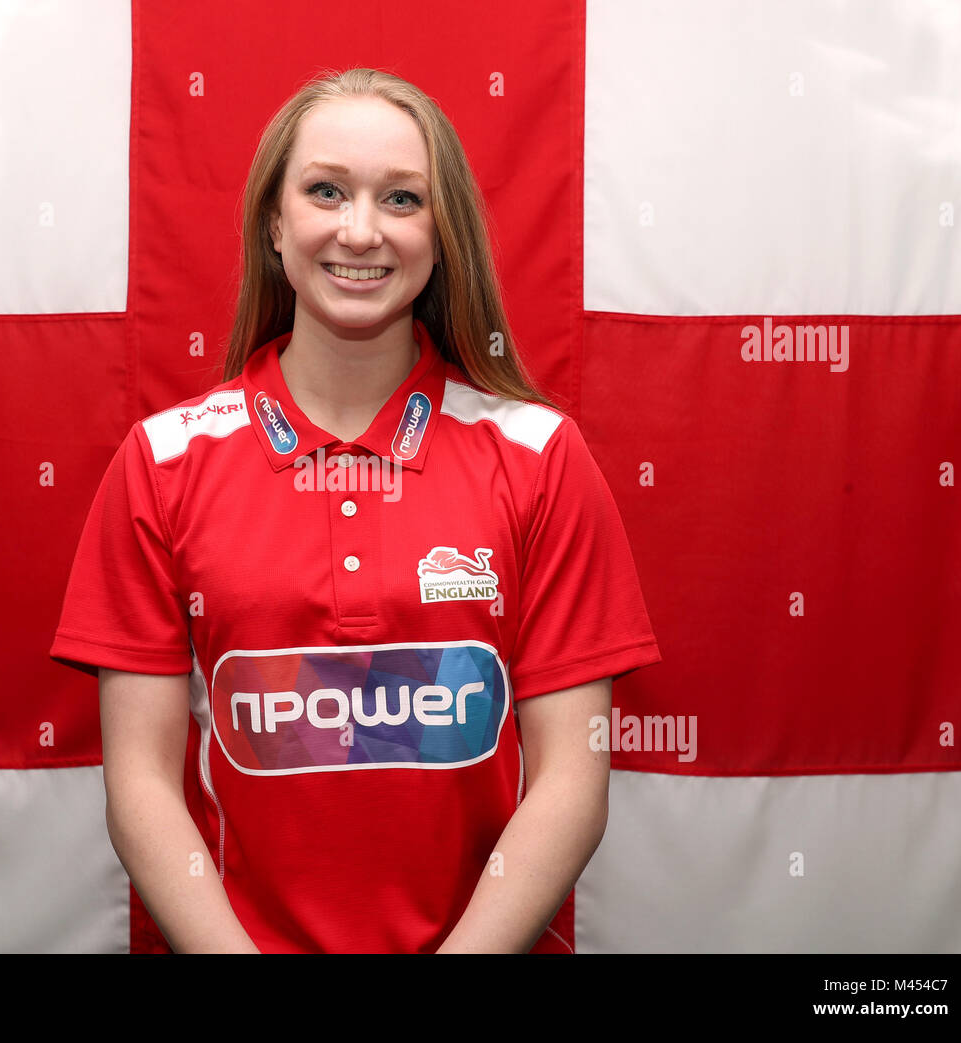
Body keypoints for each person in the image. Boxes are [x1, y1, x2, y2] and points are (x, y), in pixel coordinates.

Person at [49, 67, 661, 954]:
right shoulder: (162, 462)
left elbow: (572, 779)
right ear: (274, 220)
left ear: (442, 232)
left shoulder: (541, 458)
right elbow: (140, 785)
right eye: (325, 190)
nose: (360, 230)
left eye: (402, 198)